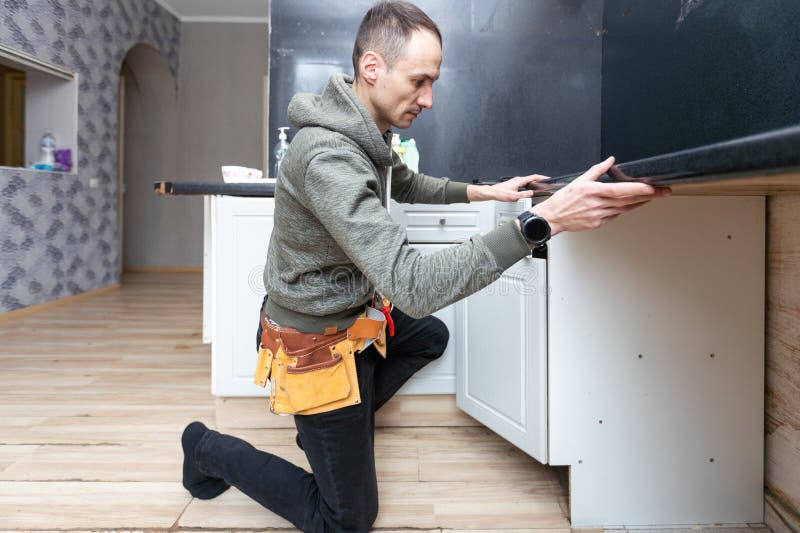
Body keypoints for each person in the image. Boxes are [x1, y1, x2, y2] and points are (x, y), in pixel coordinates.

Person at [179, 2, 670, 532]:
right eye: (419, 81)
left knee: (428, 337)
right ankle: (206, 446)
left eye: (432, 81)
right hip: (316, 344)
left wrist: (486, 191)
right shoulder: (330, 157)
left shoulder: (364, 130)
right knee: (346, 521)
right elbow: (412, 285)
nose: (429, 98)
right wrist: (539, 221)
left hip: (353, 319)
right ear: (373, 68)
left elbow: (406, 183)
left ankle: (334, 429)